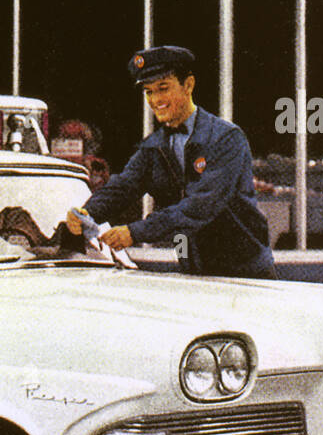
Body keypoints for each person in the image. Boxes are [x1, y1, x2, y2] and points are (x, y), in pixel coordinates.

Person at [66, 45, 276, 279]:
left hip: (247, 274)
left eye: (163, 88)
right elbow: (123, 187)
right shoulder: (153, 148)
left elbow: (201, 205)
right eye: (149, 92)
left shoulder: (226, 139)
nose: (156, 100)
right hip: (194, 271)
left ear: (188, 85)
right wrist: (88, 211)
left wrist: (134, 232)